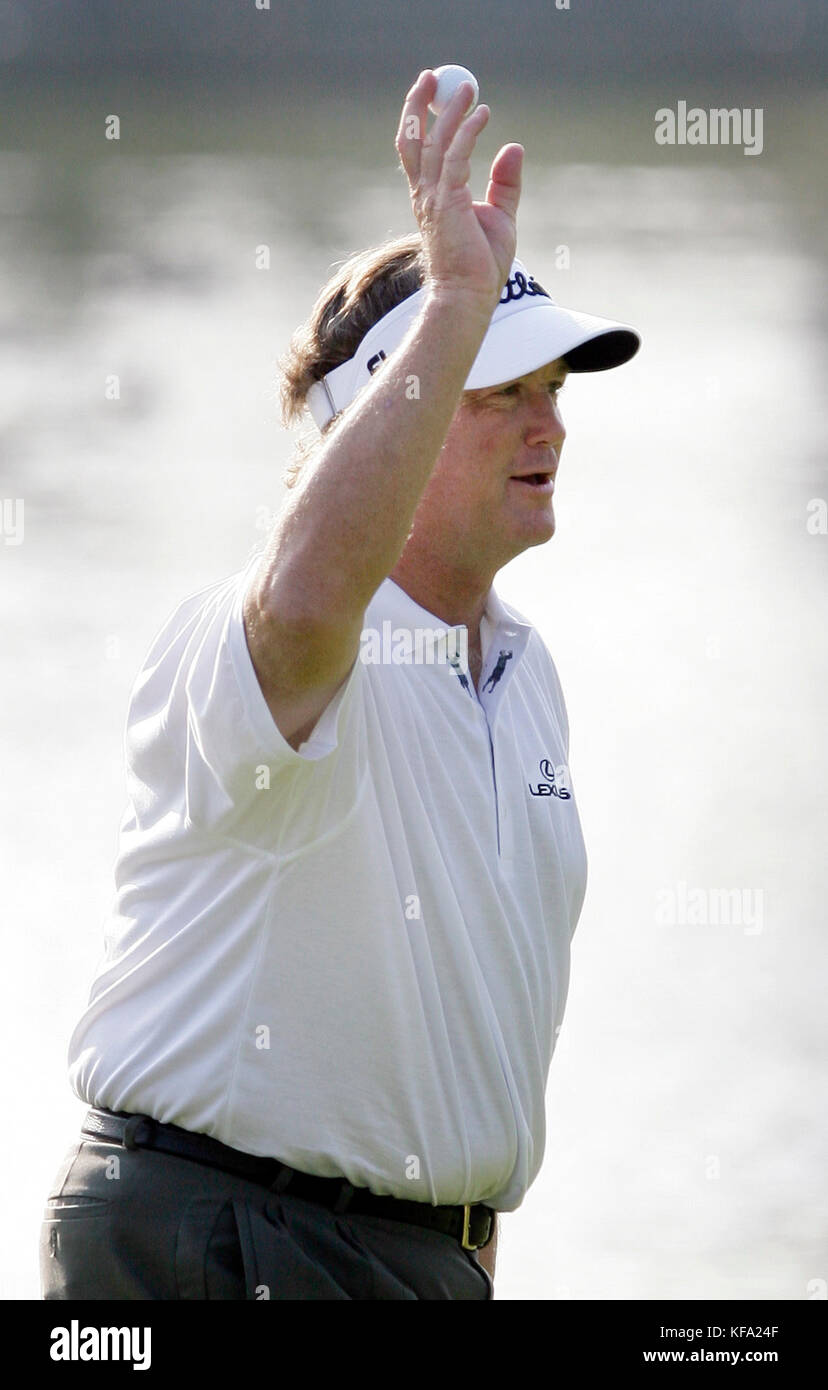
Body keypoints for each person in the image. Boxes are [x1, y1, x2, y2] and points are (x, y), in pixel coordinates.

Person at [40, 69, 639, 1301]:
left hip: (419, 1258)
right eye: (499, 391)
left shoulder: (530, 674)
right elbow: (311, 600)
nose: (553, 427)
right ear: (385, 416)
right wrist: (458, 297)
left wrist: (467, 1240)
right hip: (218, 1236)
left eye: (553, 391)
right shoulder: (273, 631)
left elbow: (469, 1042)